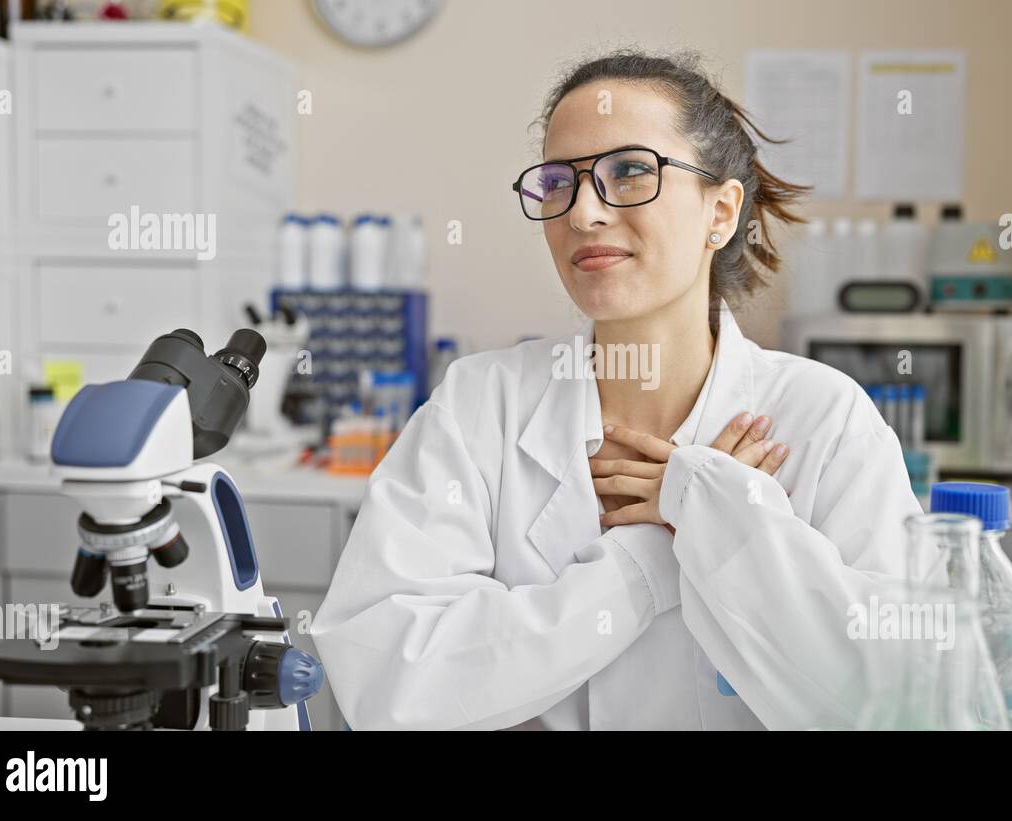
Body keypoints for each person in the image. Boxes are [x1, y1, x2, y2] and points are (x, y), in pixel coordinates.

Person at [312, 49, 924, 730]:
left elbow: (888, 703)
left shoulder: (822, 419)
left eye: (630, 171)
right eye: (556, 182)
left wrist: (726, 528)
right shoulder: (479, 405)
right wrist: (655, 552)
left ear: (722, 213)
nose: (584, 212)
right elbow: (388, 682)